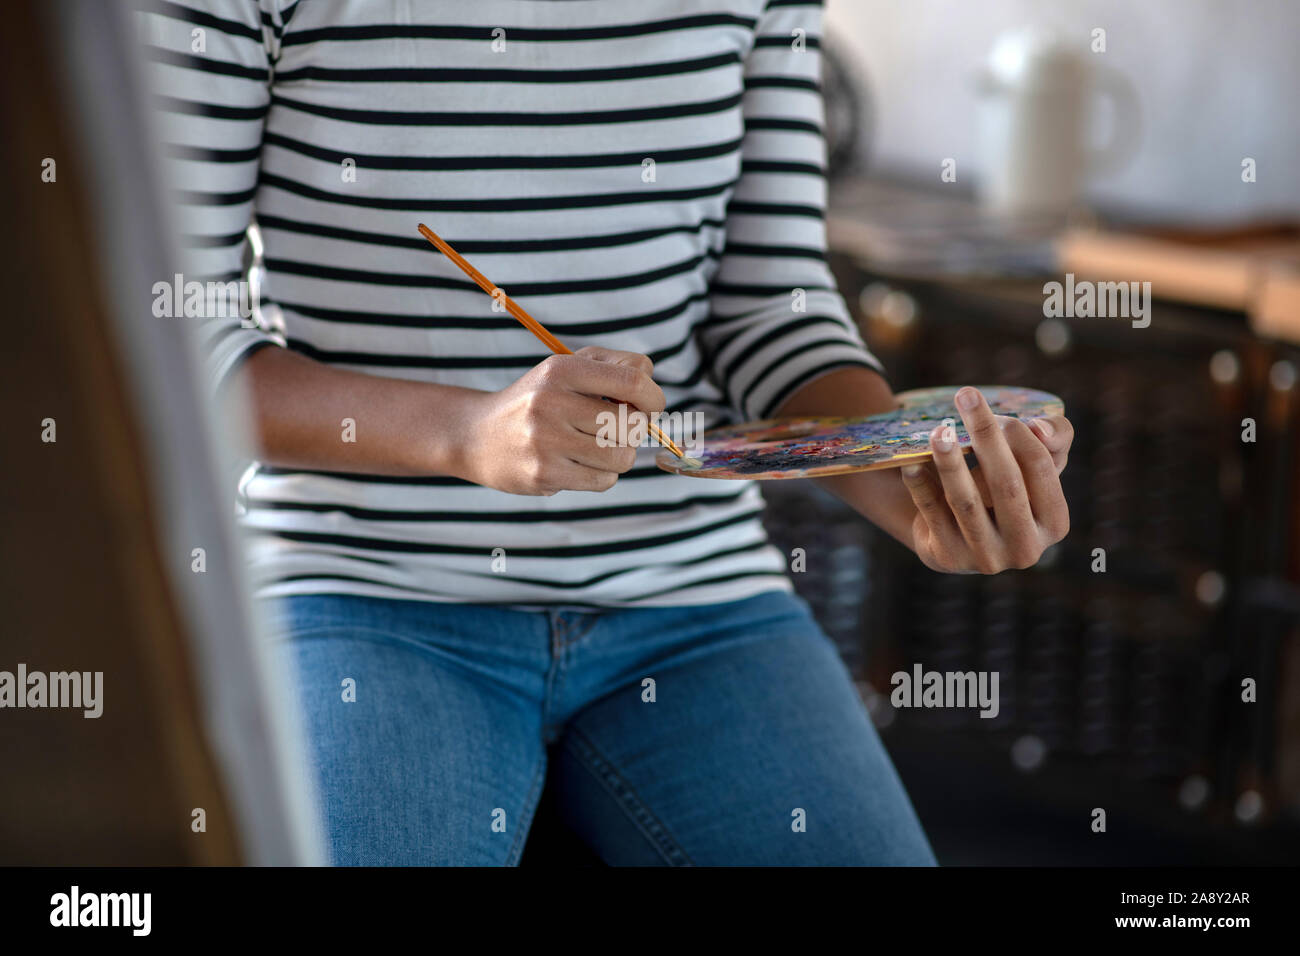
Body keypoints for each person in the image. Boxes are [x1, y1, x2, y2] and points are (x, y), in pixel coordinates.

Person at [144, 0, 1072, 865]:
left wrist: (904, 479)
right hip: (358, 586)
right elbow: (164, 332)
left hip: (692, 596)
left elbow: (768, 307)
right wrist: (467, 433)